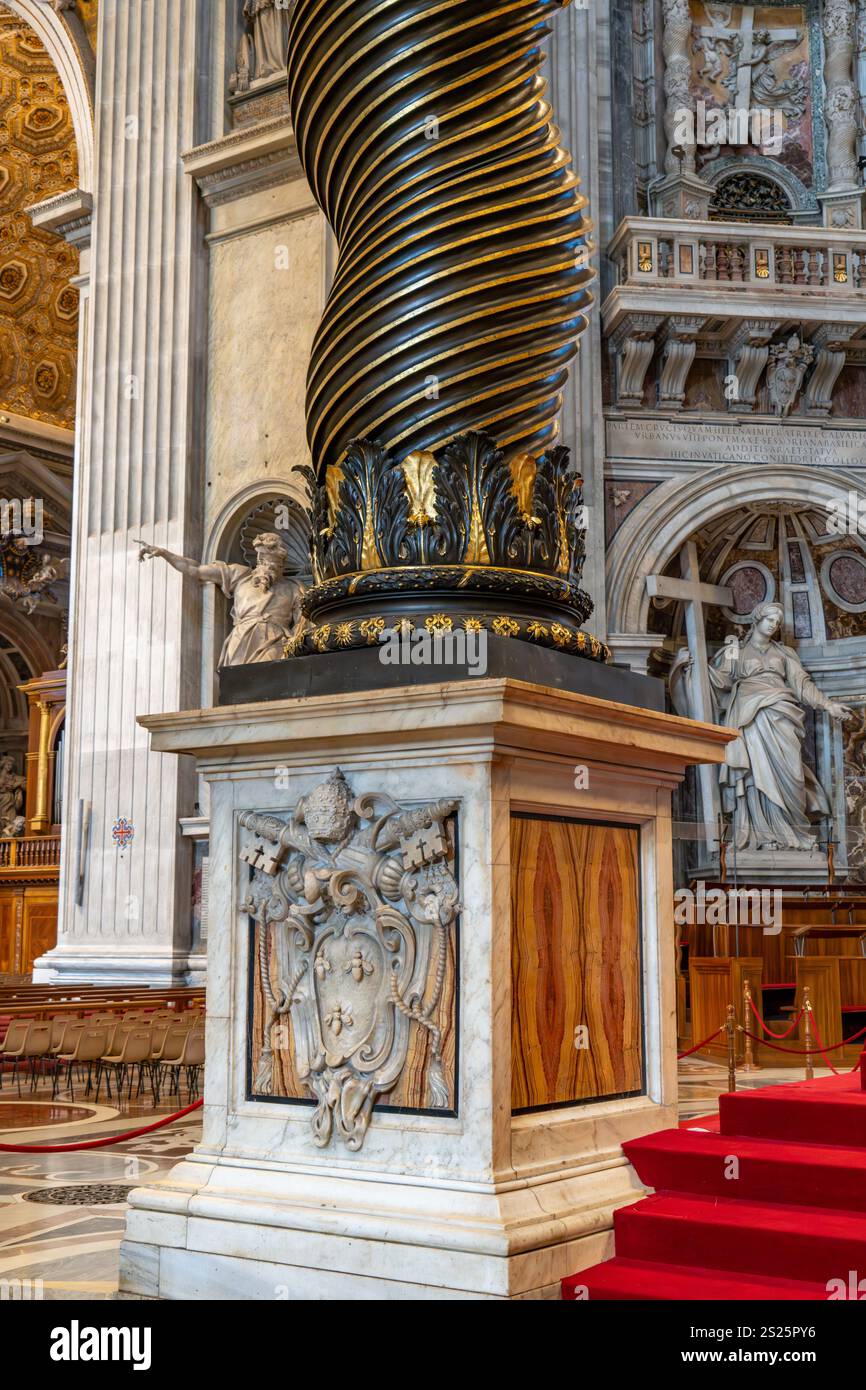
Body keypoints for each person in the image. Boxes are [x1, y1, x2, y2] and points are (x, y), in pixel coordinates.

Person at [709, 601, 851, 850]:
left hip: (782, 714)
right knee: (755, 773)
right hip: (749, 717)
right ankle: (762, 835)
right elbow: (721, 679)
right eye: (770, 619)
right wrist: (692, 666)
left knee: (792, 772)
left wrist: (829, 706)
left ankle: (792, 831)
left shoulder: (785, 653)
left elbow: (803, 685)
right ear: (757, 619)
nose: (774, 625)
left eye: (777, 621)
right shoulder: (736, 649)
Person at [138, 532, 305, 666]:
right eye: (261, 558)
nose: (263, 562)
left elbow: (302, 626)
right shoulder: (240, 575)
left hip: (275, 642)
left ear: (281, 563)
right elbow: (195, 569)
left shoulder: (294, 588)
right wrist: (164, 553)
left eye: (269, 560)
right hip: (240, 642)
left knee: (269, 679)